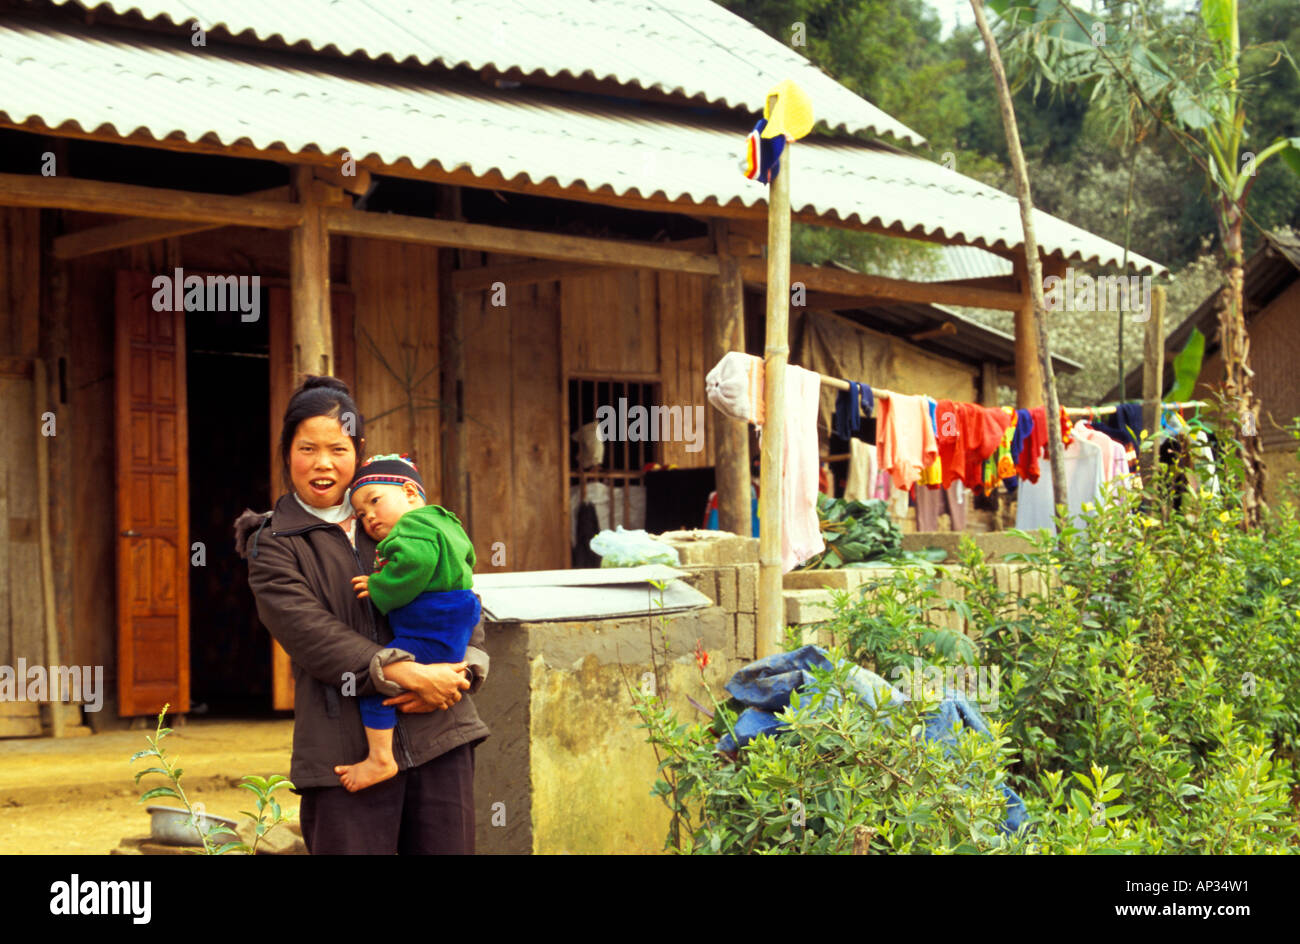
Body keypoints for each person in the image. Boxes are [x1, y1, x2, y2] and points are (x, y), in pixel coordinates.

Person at [234, 376, 489, 854]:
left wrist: (465, 671)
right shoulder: (273, 543)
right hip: (343, 751)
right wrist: (406, 673)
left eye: (338, 448)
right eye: (307, 448)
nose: (324, 463)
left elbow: (457, 594)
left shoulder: (394, 518)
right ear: (287, 450)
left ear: (359, 451)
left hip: (440, 733)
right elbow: (311, 635)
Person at [338, 453, 480, 792]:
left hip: (430, 620)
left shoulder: (412, 526)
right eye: (361, 513)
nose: (369, 516)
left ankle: (380, 759)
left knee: (379, 682)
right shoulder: (446, 523)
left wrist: (378, 586)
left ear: (410, 493)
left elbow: (414, 565)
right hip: (457, 614)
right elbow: (469, 560)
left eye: (374, 501)